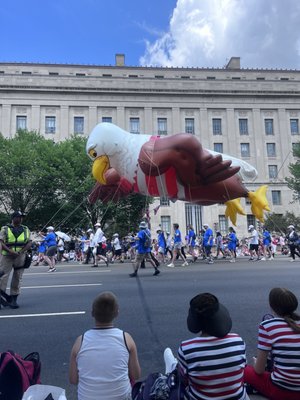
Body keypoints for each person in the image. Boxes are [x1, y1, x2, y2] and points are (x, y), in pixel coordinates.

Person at [165, 292, 248, 399]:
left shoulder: (187, 348)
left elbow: (184, 381)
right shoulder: (238, 341)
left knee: (176, 378)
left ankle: (171, 367)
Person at [69, 291, 141, 400]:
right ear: (117, 313)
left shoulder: (80, 341)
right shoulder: (126, 339)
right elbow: (135, 375)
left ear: (92, 313)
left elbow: (73, 380)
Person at [244, 288, 300, 400]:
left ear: (272, 306)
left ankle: (256, 388)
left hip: (281, 391)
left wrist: (256, 363)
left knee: (244, 370)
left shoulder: (268, 326)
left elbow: (259, 370)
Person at [0, 211, 32, 309]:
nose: (20, 219)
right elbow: (1, 242)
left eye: (21, 217)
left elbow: (29, 242)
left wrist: (21, 251)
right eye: (18, 217)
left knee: (18, 277)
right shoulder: (5, 229)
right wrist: (11, 251)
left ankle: (14, 299)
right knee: (3, 277)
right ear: (13, 218)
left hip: (20, 256)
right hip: (7, 256)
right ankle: (2, 299)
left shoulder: (26, 229)